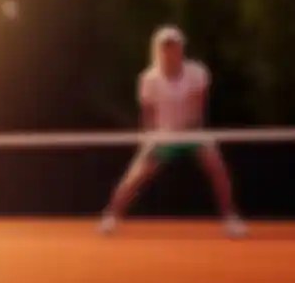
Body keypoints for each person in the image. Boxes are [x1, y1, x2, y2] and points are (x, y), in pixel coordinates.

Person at [100, 26, 247, 238]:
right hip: (163, 136)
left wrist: (188, 131)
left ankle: (231, 219)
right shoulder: (148, 79)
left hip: (192, 133)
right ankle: (111, 217)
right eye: (165, 48)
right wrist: (149, 140)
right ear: (157, 51)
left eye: (174, 46)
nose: (170, 51)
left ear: (181, 49)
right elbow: (148, 115)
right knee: (134, 176)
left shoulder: (197, 72)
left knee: (218, 170)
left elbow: (198, 108)